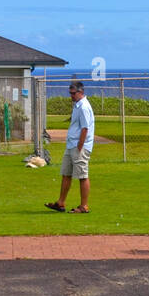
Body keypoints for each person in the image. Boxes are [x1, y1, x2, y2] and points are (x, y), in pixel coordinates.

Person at [45, 80, 94, 213]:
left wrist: (80, 146)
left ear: (81, 92)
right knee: (66, 174)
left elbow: (85, 128)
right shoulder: (77, 105)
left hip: (79, 147)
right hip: (71, 145)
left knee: (82, 175)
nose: (71, 96)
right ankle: (60, 203)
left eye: (73, 93)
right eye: (70, 93)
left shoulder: (84, 107)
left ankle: (84, 206)